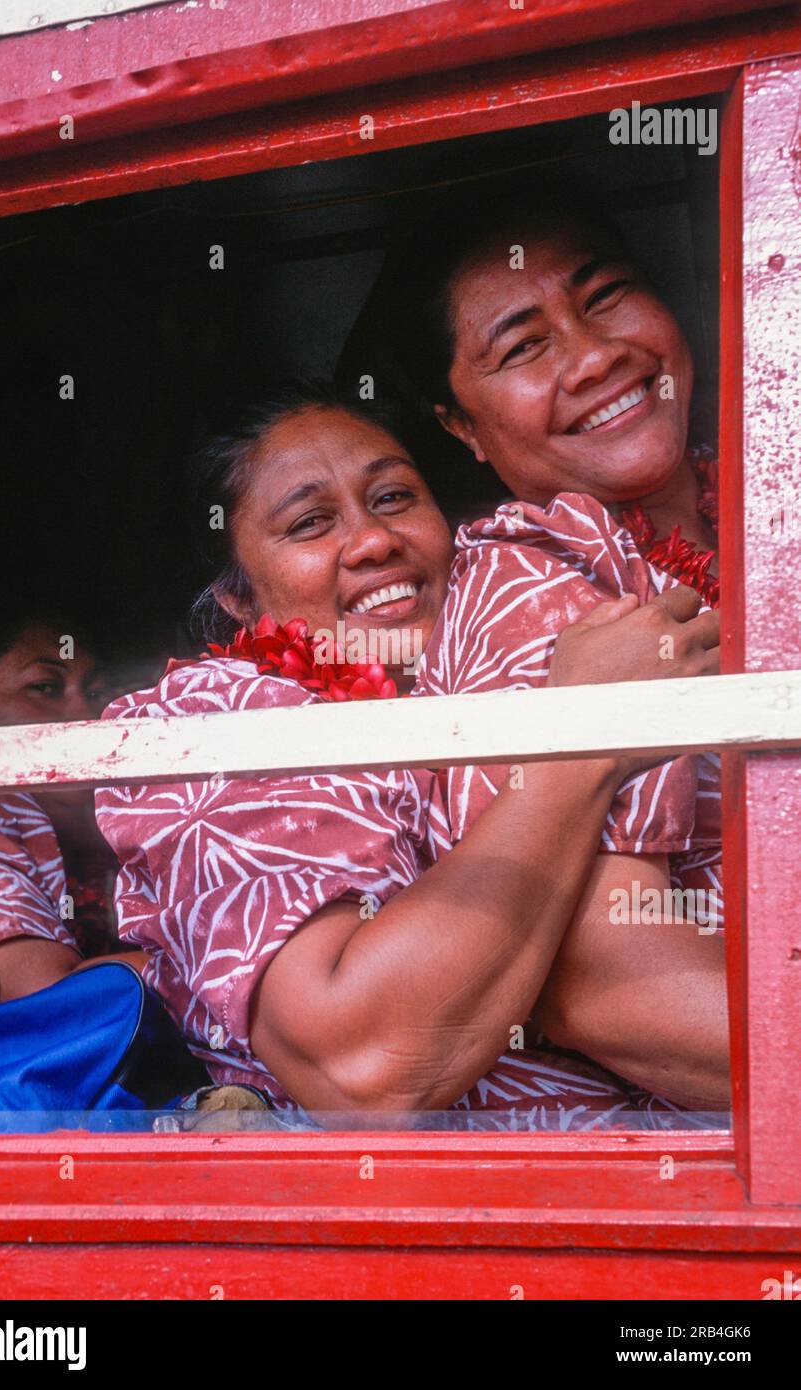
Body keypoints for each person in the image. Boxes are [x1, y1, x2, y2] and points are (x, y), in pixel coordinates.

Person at [95, 382, 728, 1128]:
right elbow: (365, 1069)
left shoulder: (494, 641)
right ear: (238, 598)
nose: (373, 541)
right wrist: (581, 736)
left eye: (394, 498)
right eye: (309, 524)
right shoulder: (212, 718)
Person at [390, 179, 724, 1079]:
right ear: (462, 427)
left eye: (606, 295)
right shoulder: (528, 578)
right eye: (523, 347)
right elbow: (612, 984)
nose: (592, 357)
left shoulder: (756, 485)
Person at [0, 608, 144, 1010]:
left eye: (96, 692)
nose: (83, 716)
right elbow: (44, 998)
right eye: (45, 688)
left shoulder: (99, 828)